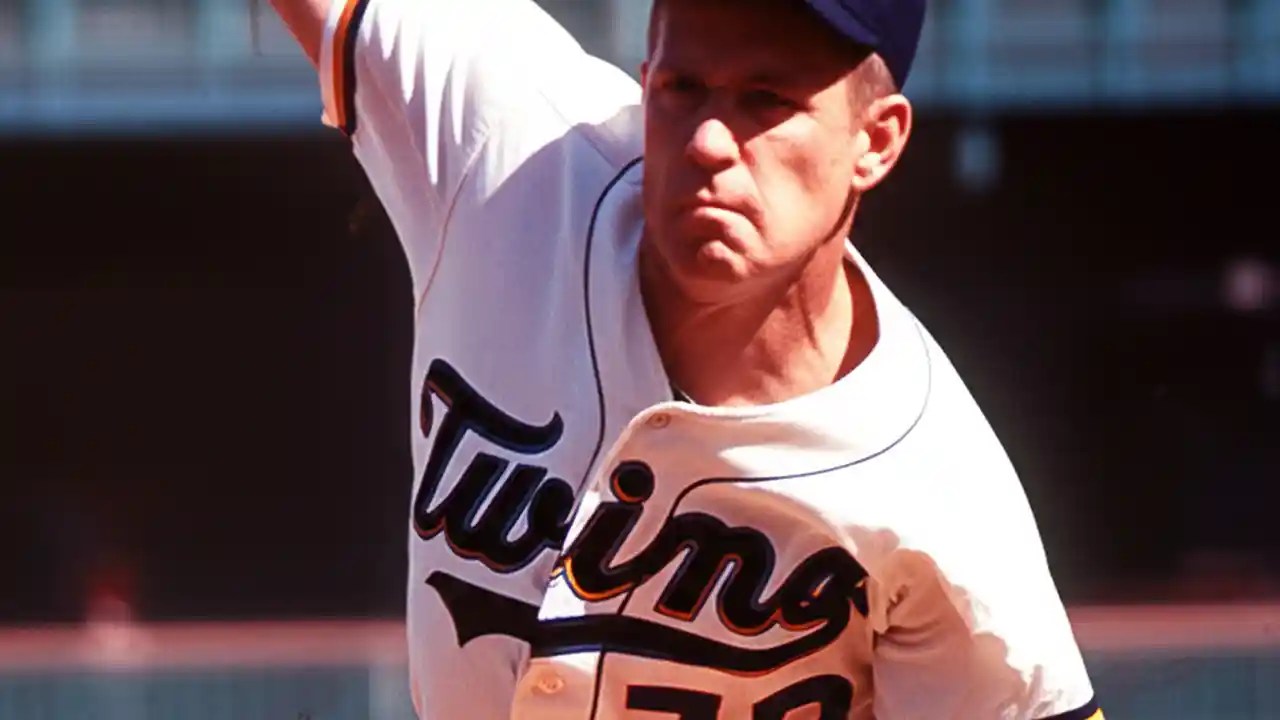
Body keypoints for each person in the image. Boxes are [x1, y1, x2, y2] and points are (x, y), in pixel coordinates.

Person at [267, 0, 1104, 717]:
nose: (707, 140)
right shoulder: (517, 149)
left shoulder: (942, 496)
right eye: (681, 88)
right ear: (644, 77)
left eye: (765, 100)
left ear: (875, 142)